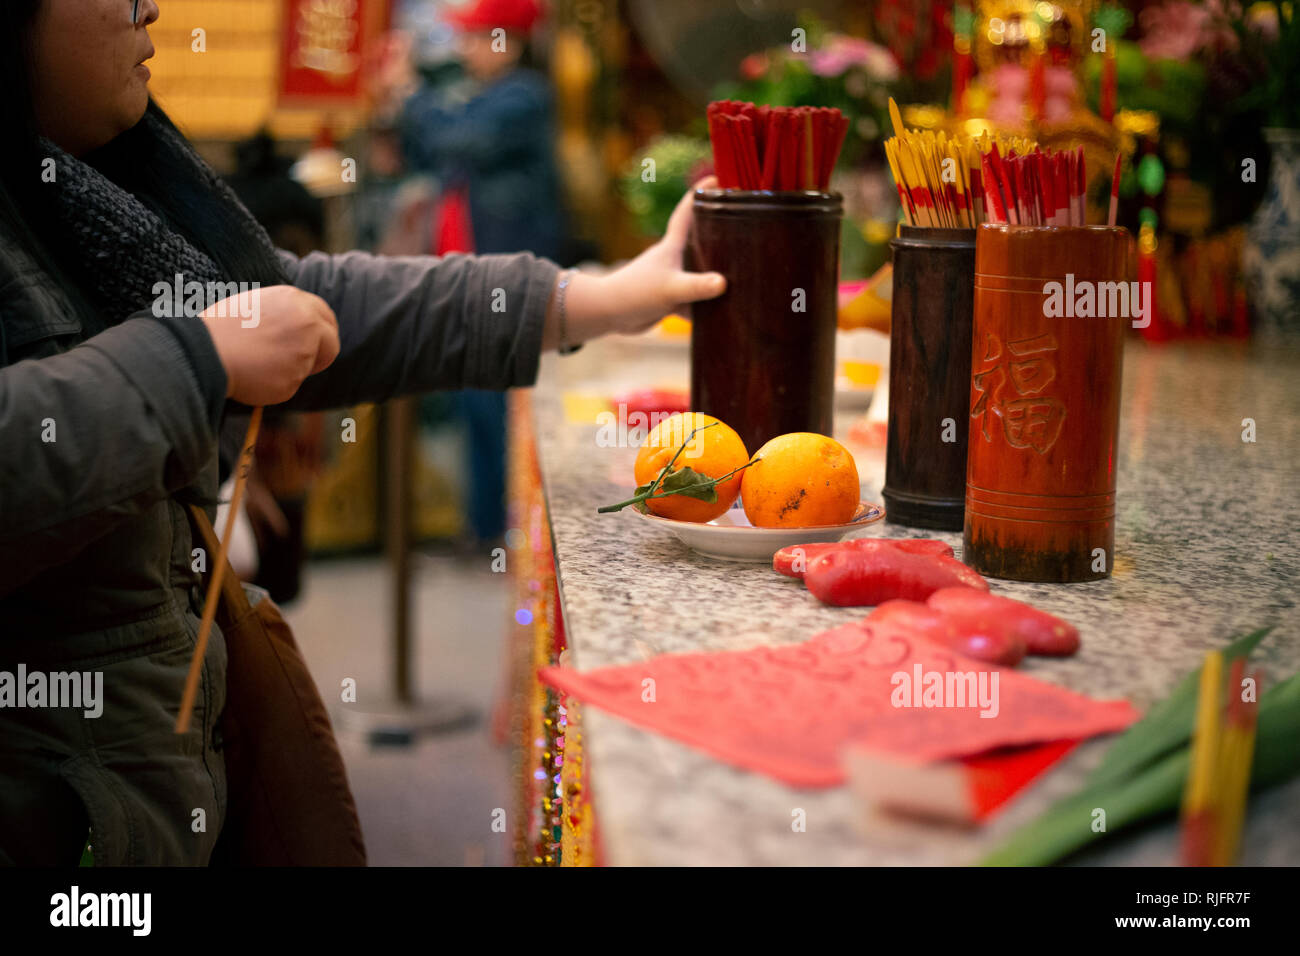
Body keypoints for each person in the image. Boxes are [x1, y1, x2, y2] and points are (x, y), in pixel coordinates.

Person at [0, 0, 724, 865]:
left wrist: (586, 300)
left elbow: (300, 302)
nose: (149, 5)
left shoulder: (71, 191)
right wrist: (192, 358)